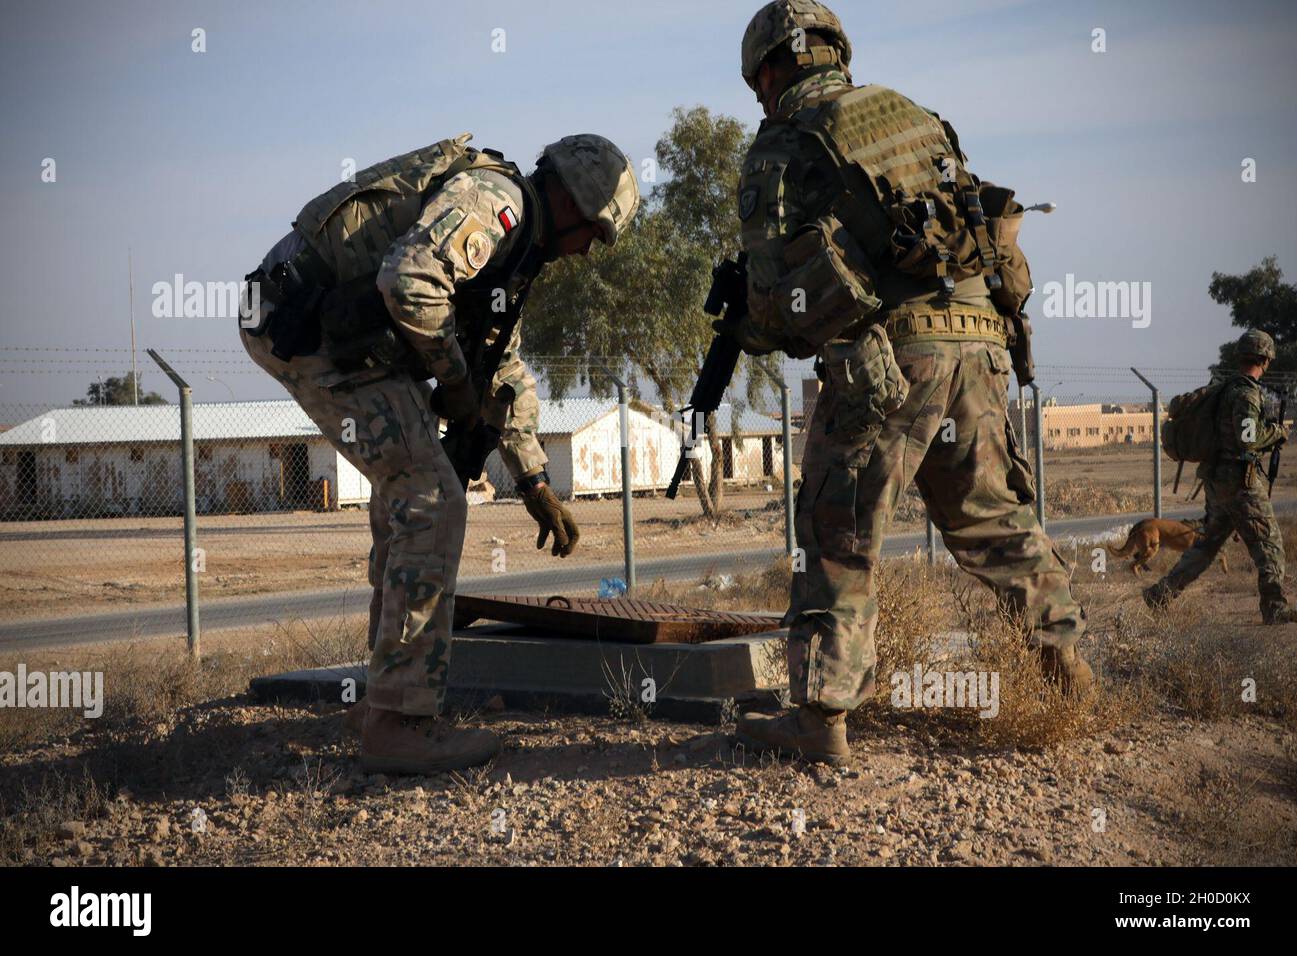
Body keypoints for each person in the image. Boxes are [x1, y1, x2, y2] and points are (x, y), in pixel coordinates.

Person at [728, 0, 1092, 765]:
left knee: (839, 537)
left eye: (759, 81)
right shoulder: (920, 120)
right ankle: (1068, 673)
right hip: (980, 346)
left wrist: (756, 324)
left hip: (886, 359)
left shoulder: (784, 141)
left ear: (770, 68)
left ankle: (820, 719)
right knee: (993, 518)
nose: (760, 96)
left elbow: (771, 299)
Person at [240, 132, 639, 773]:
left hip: (323, 325)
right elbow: (409, 280)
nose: (588, 251)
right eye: (594, 233)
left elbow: (500, 362)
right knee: (431, 499)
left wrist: (533, 478)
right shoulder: (497, 203)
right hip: (303, 321)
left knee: (409, 493)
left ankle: (380, 702)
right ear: (570, 201)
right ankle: (399, 722)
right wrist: (453, 384)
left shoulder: (518, 244)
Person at [1144, 330, 1297, 623]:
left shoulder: (1225, 388)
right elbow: (1248, 438)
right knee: (1270, 544)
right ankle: (1275, 608)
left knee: (1205, 546)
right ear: (1265, 359)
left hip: (1216, 480)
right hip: (1240, 482)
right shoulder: (1246, 393)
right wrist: (1278, 433)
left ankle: (1160, 594)